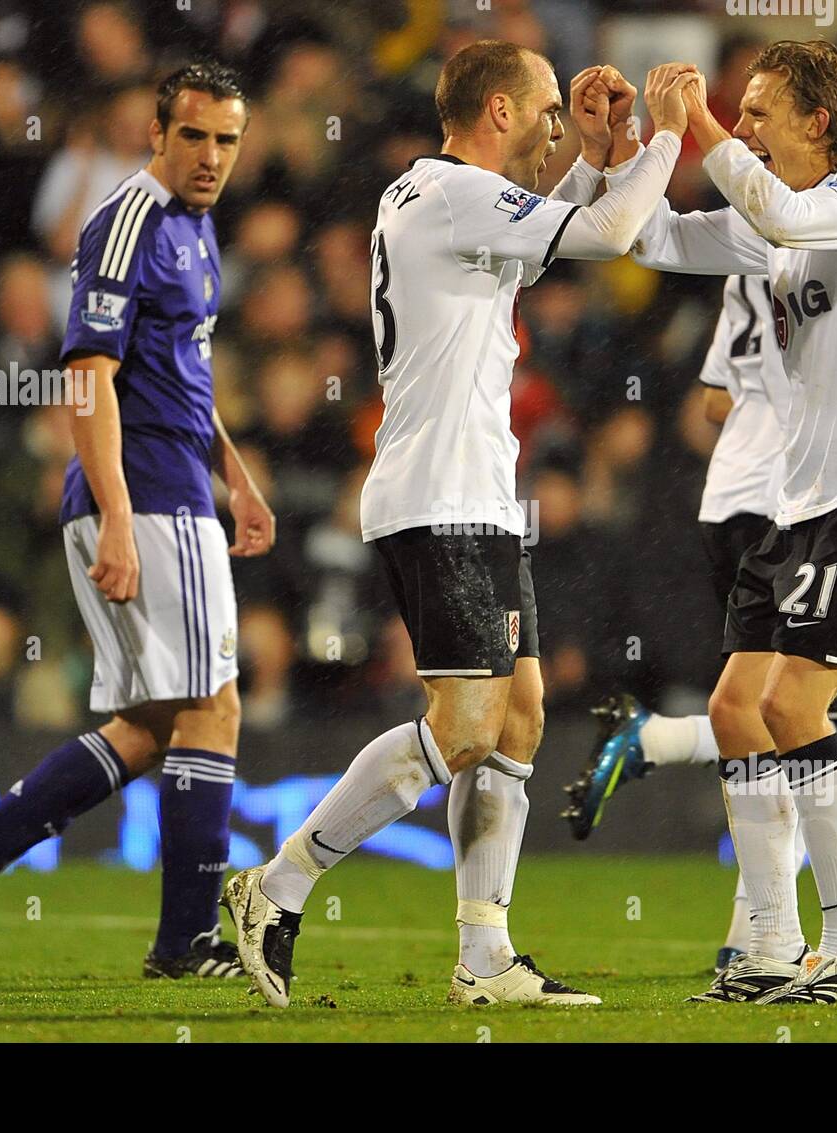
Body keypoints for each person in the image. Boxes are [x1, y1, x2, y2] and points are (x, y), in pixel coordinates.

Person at [219, 40, 699, 1009]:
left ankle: (486, 955)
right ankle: (276, 884)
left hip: (475, 494)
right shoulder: (450, 194)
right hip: (440, 496)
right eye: (545, 109)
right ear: (497, 112)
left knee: (517, 717)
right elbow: (605, 235)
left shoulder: (441, 198)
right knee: (468, 724)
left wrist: (605, 152)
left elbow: (558, 218)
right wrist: (667, 139)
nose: (555, 123)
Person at [565, 68, 837, 976]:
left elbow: (789, 218)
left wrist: (699, 121)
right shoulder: (777, 222)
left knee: (794, 706)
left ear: (818, 121)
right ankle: (771, 949)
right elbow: (654, 238)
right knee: (735, 710)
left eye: (757, 111)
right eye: (736, 110)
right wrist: (615, 152)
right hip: (798, 503)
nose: (739, 124)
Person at [0, 62, 275, 981]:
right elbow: (88, 375)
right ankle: (185, 944)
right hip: (144, 492)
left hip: (176, 483)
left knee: (150, 722)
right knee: (212, 707)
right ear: (157, 134)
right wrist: (114, 511)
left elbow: (181, 369)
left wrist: (238, 475)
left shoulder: (198, 227)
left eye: (228, 139)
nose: (212, 156)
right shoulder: (127, 220)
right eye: (194, 135)